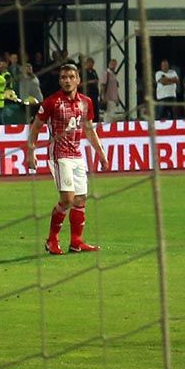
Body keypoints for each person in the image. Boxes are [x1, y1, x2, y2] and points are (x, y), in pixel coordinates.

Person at [25, 63, 107, 255]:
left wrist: (101, 153)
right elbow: (36, 126)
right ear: (60, 80)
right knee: (67, 199)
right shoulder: (52, 102)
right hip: (59, 155)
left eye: (71, 77)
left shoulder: (86, 102)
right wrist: (31, 151)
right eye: (63, 77)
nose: (67, 80)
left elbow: (88, 129)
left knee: (80, 199)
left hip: (77, 155)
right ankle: (52, 240)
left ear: (78, 79)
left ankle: (76, 242)